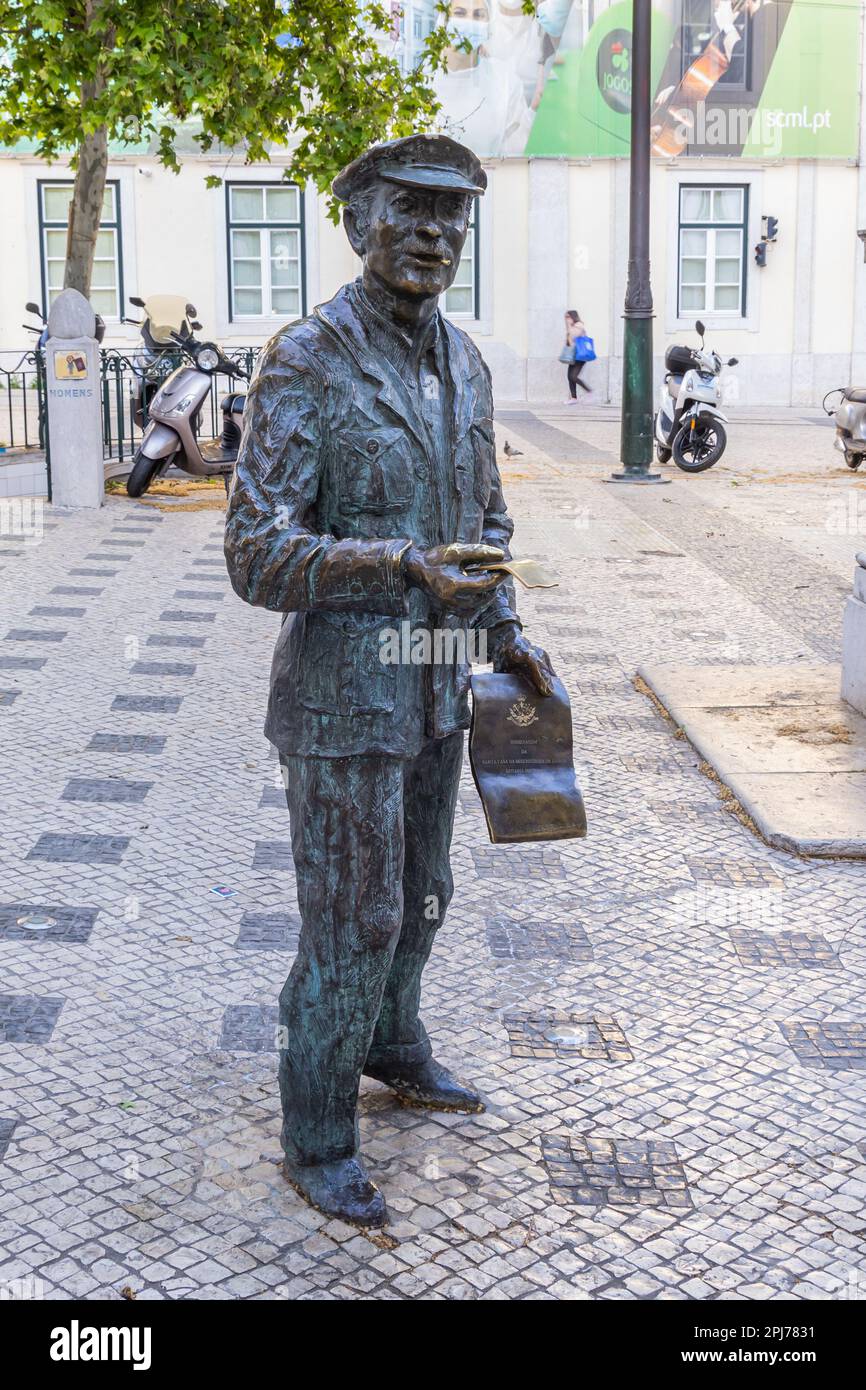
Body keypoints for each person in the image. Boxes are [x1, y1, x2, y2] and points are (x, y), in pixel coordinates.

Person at [225, 134, 556, 1230]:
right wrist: (394, 564)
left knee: (425, 895)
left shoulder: (464, 362)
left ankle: (394, 1043)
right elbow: (255, 553)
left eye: (450, 215)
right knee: (355, 916)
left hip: (434, 685)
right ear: (357, 223)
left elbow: (485, 519)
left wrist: (503, 626)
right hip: (339, 696)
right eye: (407, 210)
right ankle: (315, 1133)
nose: (431, 231)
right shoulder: (305, 360)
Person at [433, 0, 533, 157]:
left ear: (489, 23)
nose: (469, 22)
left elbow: (516, 152)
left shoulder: (505, 80)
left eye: (479, 15)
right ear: (444, 20)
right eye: (460, 13)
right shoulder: (423, 83)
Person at [564, 307, 591, 401]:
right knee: (569, 376)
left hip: (580, 355)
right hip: (574, 354)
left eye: (568, 316)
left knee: (573, 376)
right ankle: (574, 398)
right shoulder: (573, 326)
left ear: (573, 316)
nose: (566, 318)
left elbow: (573, 338)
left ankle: (589, 391)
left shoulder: (579, 325)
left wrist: (569, 326)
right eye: (566, 316)